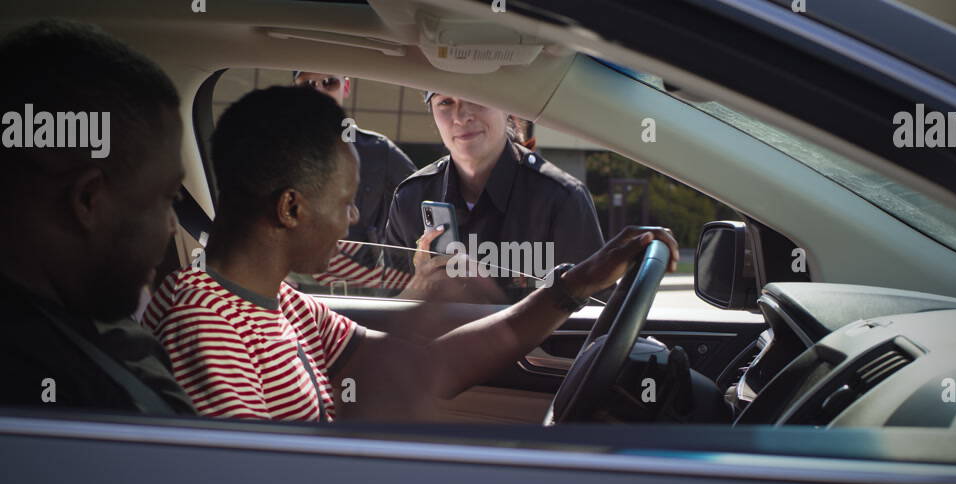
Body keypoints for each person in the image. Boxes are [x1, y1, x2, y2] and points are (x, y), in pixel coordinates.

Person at [143, 86, 680, 422]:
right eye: (346, 203)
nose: (353, 219)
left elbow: (425, 366)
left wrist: (570, 286)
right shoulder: (206, 322)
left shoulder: (281, 302)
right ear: (291, 208)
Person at [0, 20, 195, 415]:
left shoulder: (87, 330)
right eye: (168, 197)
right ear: (88, 199)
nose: (173, 226)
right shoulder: (63, 393)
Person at [384, 92, 606, 300]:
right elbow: (387, 312)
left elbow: (591, 315)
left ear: (506, 105)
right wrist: (418, 288)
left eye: (476, 97)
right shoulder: (410, 199)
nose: (461, 117)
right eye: (445, 102)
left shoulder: (560, 199)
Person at [293, 71, 416, 291]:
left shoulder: (378, 151)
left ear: (346, 87)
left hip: (361, 293)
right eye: (308, 85)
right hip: (295, 289)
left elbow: (421, 201)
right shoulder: (274, 151)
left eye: (329, 82)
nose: (319, 91)